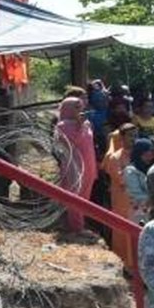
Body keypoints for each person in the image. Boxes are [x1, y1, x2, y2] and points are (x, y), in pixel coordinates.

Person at [54, 97, 98, 234]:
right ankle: (76, 228)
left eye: (81, 107)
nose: (81, 110)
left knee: (85, 196)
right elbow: (73, 142)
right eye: (76, 107)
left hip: (89, 164)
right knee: (75, 196)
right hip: (75, 166)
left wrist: (82, 124)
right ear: (67, 108)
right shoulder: (62, 126)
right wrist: (79, 125)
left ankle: (79, 224)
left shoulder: (86, 123)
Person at [100, 123, 139, 268]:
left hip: (138, 204)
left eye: (136, 135)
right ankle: (124, 265)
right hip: (123, 202)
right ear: (121, 138)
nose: (134, 139)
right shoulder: (114, 158)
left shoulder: (140, 155)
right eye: (131, 136)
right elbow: (123, 181)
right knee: (122, 232)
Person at [123, 137, 154, 224]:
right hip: (138, 214)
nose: (150, 158)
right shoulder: (130, 171)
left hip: (153, 214)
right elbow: (136, 194)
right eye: (146, 155)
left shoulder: (153, 169)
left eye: (152, 155)